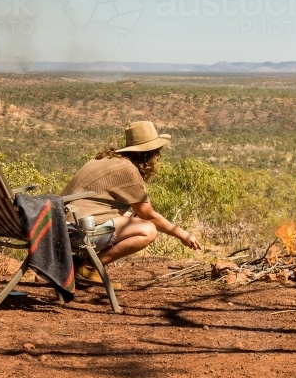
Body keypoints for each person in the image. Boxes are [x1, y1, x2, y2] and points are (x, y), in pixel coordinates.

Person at [61, 120, 202, 286]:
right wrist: (183, 235)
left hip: (58, 227)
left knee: (132, 217)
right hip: (73, 232)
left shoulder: (104, 160)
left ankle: (78, 263)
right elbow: (149, 215)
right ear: (150, 154)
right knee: (147, 230)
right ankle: (89, 267)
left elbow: (100, 205)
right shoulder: (127, 170)